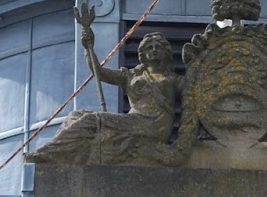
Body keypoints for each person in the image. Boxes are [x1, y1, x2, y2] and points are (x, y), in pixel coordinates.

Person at [27, 26, 183, 166]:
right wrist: (89, 48)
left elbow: (194, 98)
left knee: (89, 120)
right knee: (75, 115)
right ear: (143, 53)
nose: (154, 50)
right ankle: (60, 156)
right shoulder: (130, 75)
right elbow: (99, 72)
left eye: (158, 47)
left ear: (166, 52)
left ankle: (49, 153)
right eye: (149, 47)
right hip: (133, 121)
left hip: (152, 126)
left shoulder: (174, 79)